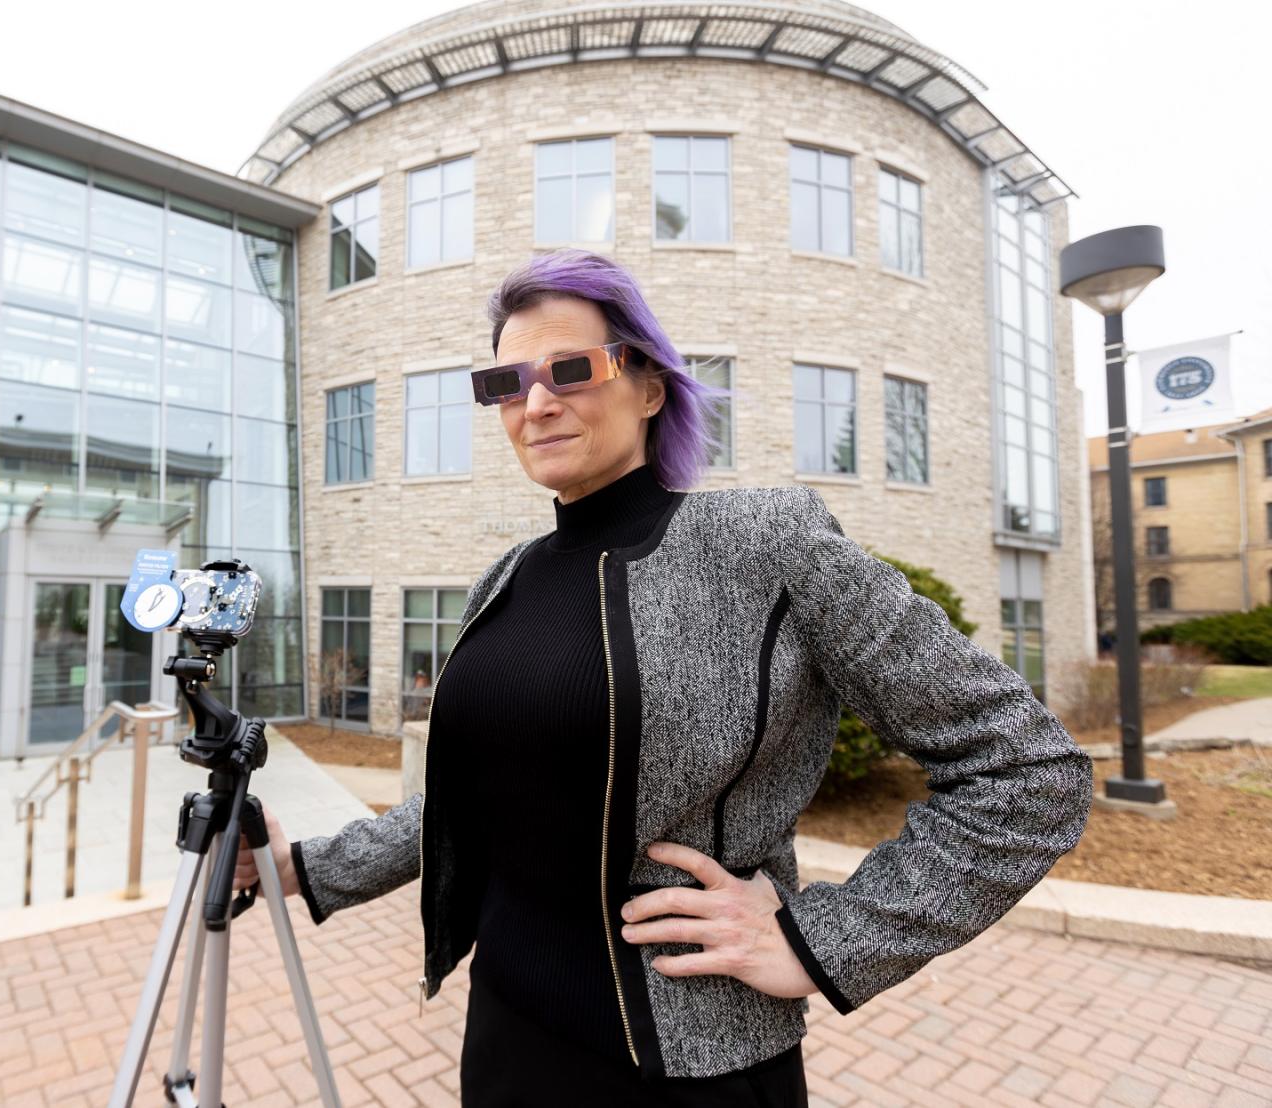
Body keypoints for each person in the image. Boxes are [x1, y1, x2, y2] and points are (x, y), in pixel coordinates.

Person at [236, 249, 1093, 1105]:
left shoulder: (765, 543)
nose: (536, 403)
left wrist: (823, 939)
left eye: (571, 369)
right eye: (506, 383)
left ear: (649, 387)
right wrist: (304, 866)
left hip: (686, 1070)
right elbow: (476, 799)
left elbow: (1028, 772)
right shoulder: (506, 578)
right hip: (505, 1037)